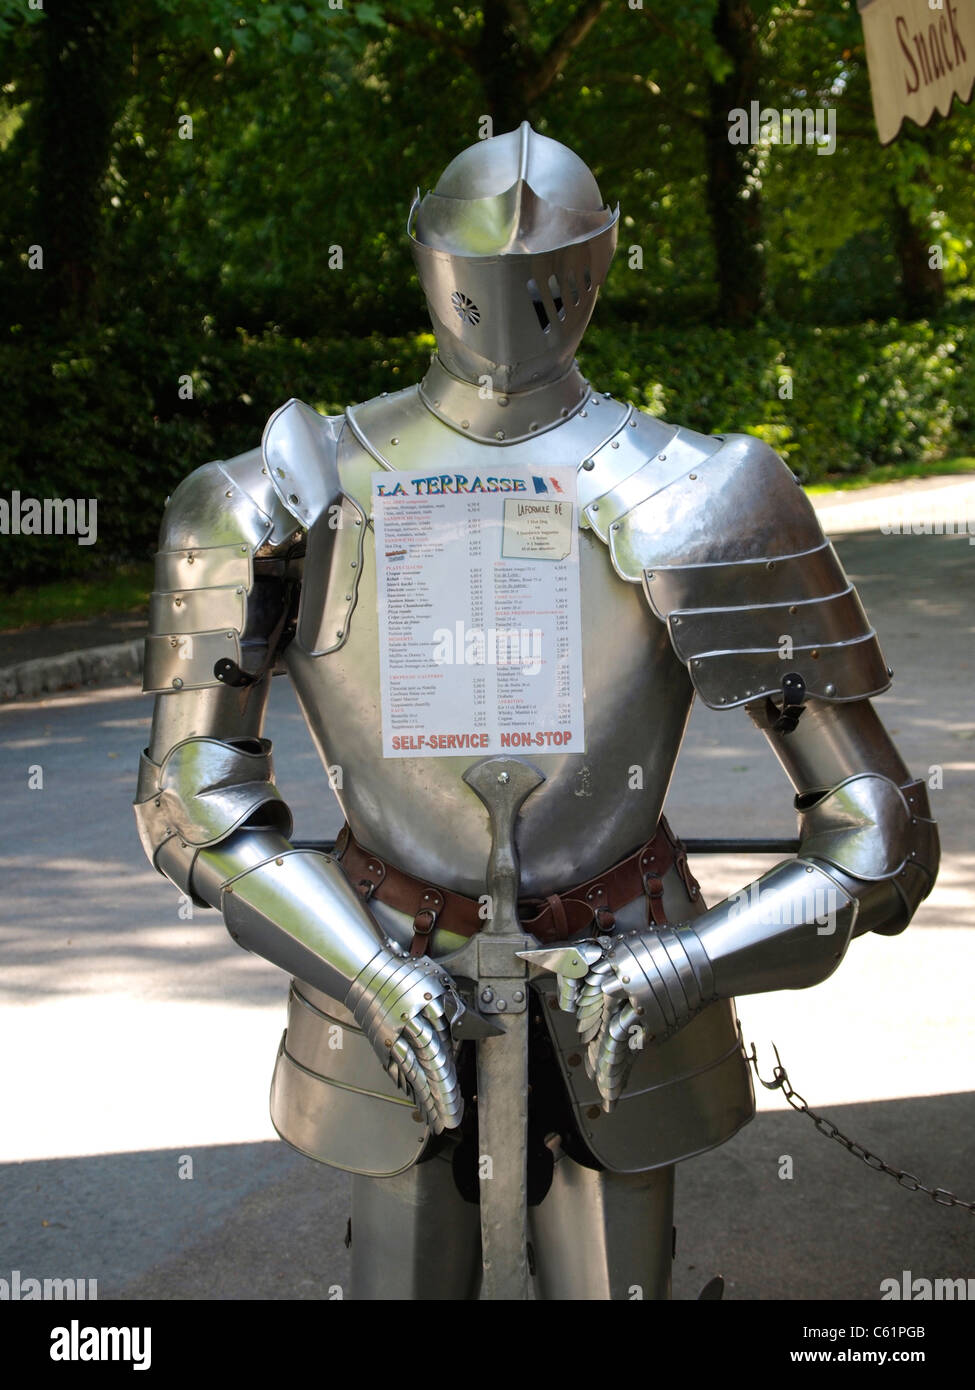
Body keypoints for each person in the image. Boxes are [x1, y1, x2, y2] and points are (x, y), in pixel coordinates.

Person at [133, 123, 938, 1299]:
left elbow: (880, 834)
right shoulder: (278, 500)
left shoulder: (702, 499)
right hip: (402, 974)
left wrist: (683, 966)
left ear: (423, 257)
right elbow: (189, 803)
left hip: (607, 978)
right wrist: (370, 970)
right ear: (605, 258)